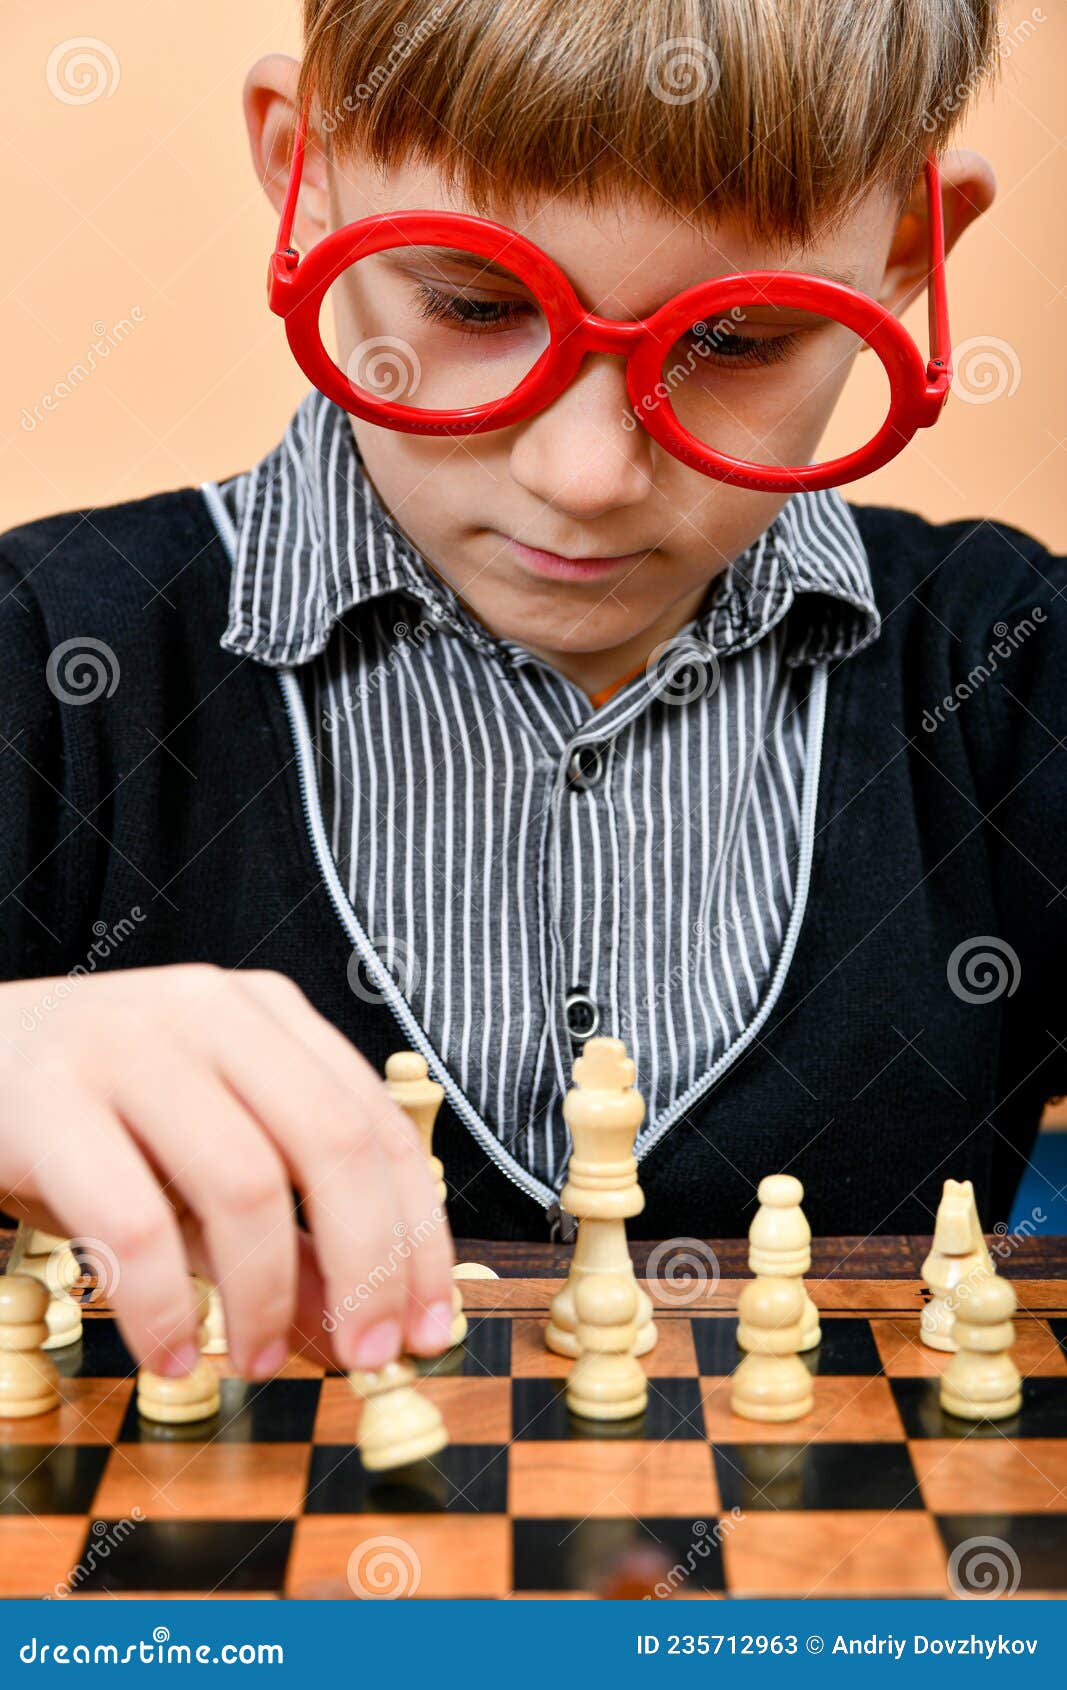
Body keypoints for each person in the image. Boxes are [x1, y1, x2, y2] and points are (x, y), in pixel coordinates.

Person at [1, 1, 1063, 1383]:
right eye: (474, 304)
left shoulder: (1012, 671)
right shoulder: (50, 658)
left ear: (916, 251)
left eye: (737, 339)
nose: (587, 473)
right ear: (300, 172)